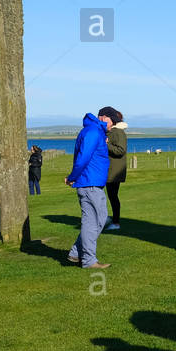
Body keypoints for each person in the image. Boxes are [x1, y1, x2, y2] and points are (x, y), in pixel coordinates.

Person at [66, 109, 112, 269]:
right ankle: (88, 260)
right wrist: (72, 177)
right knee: (94, 222)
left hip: (91, 183)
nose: (113, 127)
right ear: (105, 118)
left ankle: (76, 253)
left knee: (95, 220)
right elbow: (83, 158)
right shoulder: (93, 132)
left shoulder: (95, 131)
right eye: (113, 123)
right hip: (89, 184)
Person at [100, 107, 128, 232]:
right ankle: (106, 218)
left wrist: (107, 145)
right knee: (105, 195)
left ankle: (115, 222)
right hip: (108, 169)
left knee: (112, 196)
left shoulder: (119, 133)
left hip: (115, 171)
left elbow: (120, 151)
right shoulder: (110, 132)